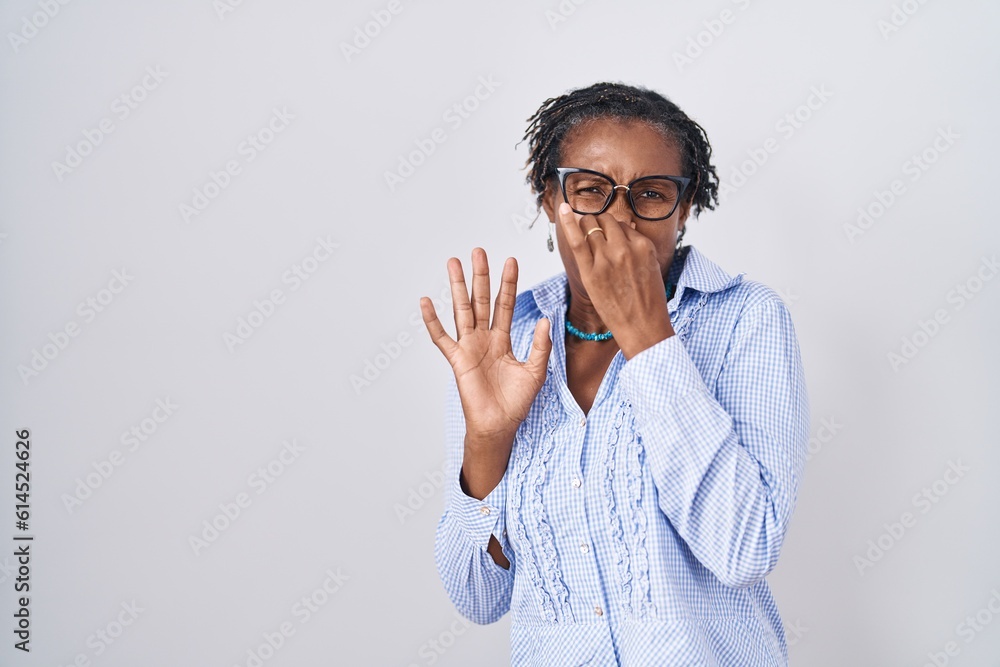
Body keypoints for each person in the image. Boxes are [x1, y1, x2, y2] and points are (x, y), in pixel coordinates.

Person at [419, 81, 810, 666]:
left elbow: (744, 547)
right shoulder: (505, 344)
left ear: (684, 207)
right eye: (591, 190)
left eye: (650, 194)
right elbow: (477, 597)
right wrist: (487, 443)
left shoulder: (744, 321)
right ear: (549, 199)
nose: (619, 219)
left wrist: (649, 337)